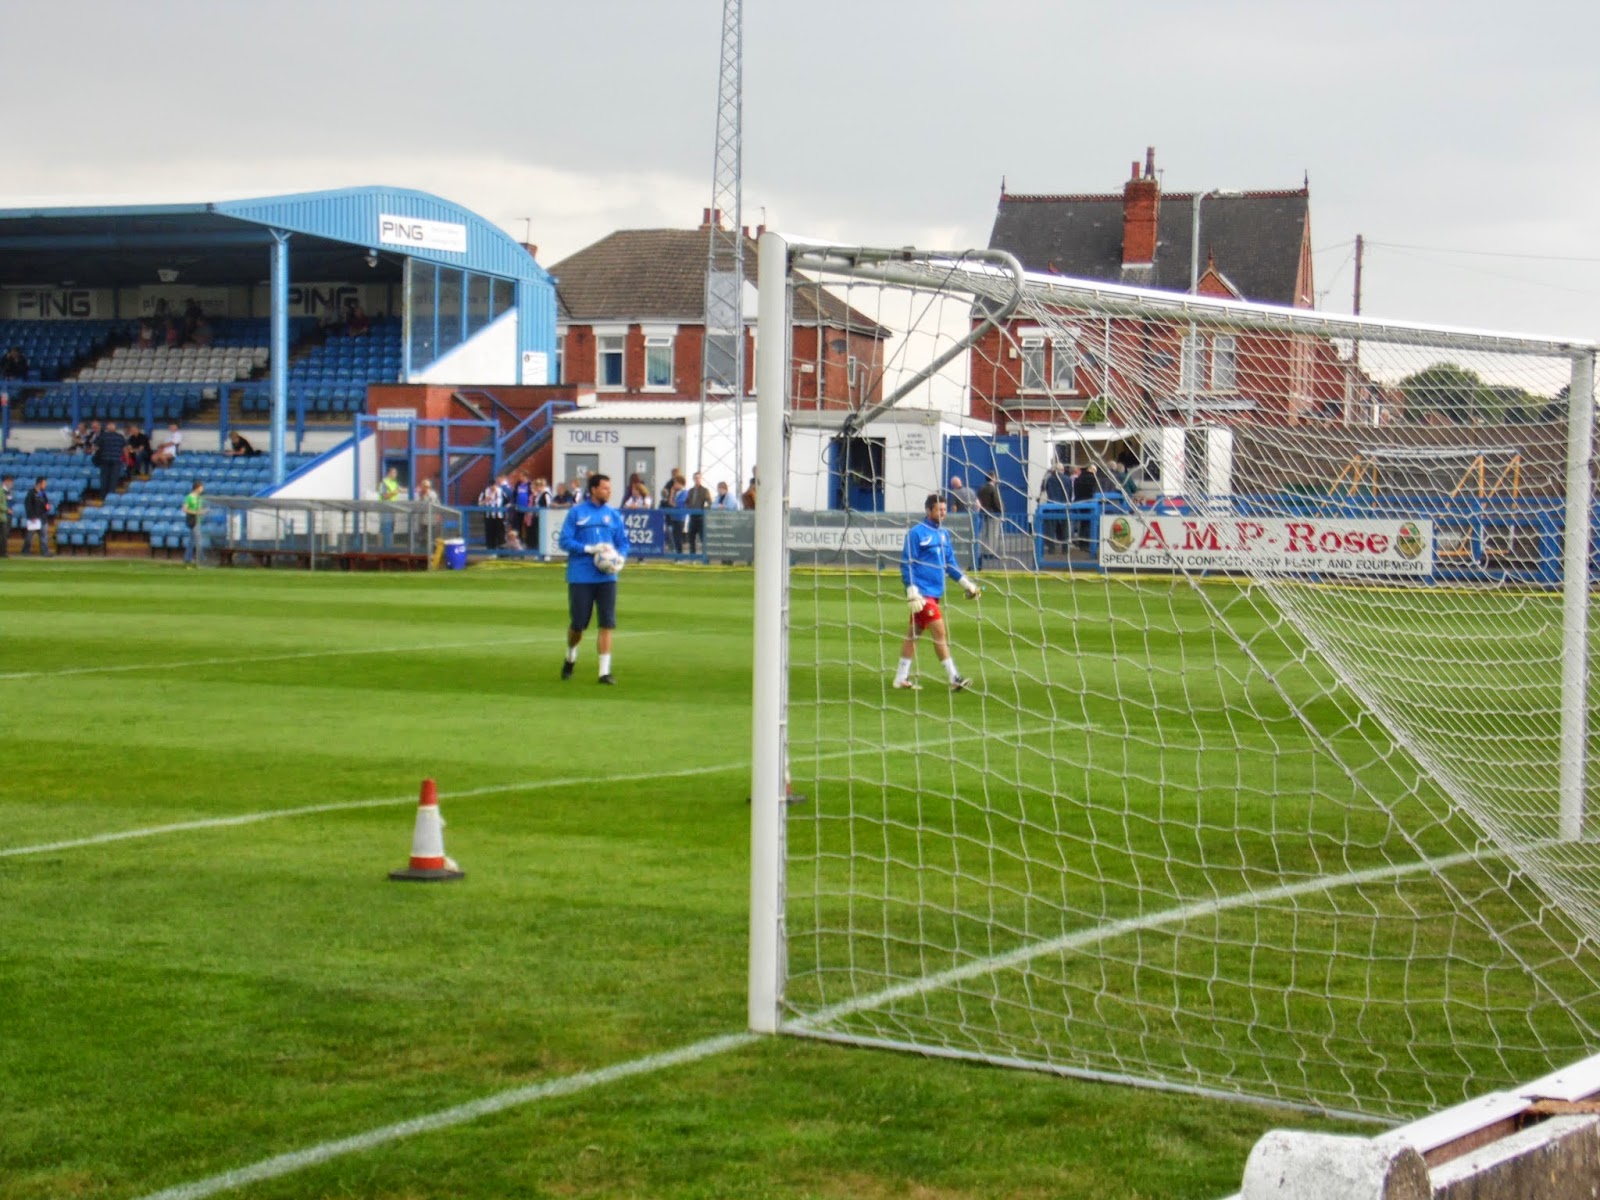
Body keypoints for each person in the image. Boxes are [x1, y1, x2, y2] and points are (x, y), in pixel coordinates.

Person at [893, 493, 980, 692]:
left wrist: (967, 584)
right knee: (939, 632)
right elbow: (907, 562)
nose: (942, 513)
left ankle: (900, 678)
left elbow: (950, 564)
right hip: (922, 594)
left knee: (913, 634)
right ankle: (954, 678)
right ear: (928, 511)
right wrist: (911, 589)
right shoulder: (916, 533)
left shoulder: (943, 534)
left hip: (935, 593)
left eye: (944, 509)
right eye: (938, 509)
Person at [557, 473, 629, 685]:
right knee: (578, 625)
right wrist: (588, 548)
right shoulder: (577, 513)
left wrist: (620, 557)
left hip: (607, 577)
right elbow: (564, 541)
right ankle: (571, 656)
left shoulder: (613, 515)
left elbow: (623, 542)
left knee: (606, 623)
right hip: (581, 576)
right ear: (594, 490)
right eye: (605, 488)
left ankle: (604, 673)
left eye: (610, 488)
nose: (609, 491)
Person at [1038, 462, 1072, 552]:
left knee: (1051, 529)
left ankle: (1051, 548)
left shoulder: (1049, 479)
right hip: (1064, 506)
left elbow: (1045, 491)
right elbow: (1070, 493)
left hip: (1052, 505)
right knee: (1066, 529)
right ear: (1063, 470)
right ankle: (1065, 549)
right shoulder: (1068, 479)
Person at [975, 474, 1003, 569]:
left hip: (983, 513)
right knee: (993, 533)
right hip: (992, 513)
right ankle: (991, 552)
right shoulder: (993, 489)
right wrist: (1001, 511)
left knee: (984, 533)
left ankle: (984, 551)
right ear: (993, 478)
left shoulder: (981, 489)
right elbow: (996, 502)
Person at [1071, 462, 1101, 550]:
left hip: (1079, 502)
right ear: (1093, 470)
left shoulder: (1079, 478)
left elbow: (1076, 490)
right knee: (1090, 523)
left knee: (1082, 522)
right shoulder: (1094, 479)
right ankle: (1088, 543)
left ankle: (1081, 543)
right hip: (1091, 503)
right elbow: (1095, 491)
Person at [22, 477, 52, 556]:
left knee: (44, 536)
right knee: (30, 535)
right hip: (34, 518)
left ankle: (45, 551)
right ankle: (25, 550)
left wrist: (47, 507)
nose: (45, 485)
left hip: (42, 518)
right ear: (39, 483)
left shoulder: (43, 493)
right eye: (44, 483)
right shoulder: (31, 493)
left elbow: (46, 503)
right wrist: (31, 516)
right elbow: (28, 505)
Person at [684, 471, 712, 554]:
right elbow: (687, 501)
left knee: (703, 538)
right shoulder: (691, 491)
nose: (697, 480)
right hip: (692, 517)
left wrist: (705, 507)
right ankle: (693, 557)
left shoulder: (705, 490)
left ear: (701, 479)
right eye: (696, 478)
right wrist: (688, 508)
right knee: (691, 538)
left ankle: (705, 557)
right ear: (693, 479)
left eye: (698, 478)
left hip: (701, 517)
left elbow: (709, 502)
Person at [181, 479, 205, 568]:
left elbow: (199, 509)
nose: (202, 489)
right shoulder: (189, 497)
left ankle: (187, 558)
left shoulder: (200, 498)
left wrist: (203, 511)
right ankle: (201, 558)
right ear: (197, 488)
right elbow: (184, 509)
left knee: (192, 540)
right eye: (201, 487)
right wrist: (195, 512)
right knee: (199, 540)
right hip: (193, 521)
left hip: (198, 520)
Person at [480, 477, 507, 550]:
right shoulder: (485, 491)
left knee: (500, 533)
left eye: (494, 485)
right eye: (491, 485)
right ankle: (491, 550)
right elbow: (480, 503)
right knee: (490, 533)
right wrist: (488, 498)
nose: (493, 487)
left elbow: (507, 501)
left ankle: (502, 551)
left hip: (499, 516)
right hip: (489, 516)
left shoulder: (501, 491)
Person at [0, 474, 13, 557]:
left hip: (8, 516)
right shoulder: (1, 491)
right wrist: (6, 509)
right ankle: (2, 552)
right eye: (10, 482)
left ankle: (3, 551)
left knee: (5, 535)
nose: (11, 484)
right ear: (6, 481)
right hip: (2, 516)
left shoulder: (10, 492)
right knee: (2, 535)